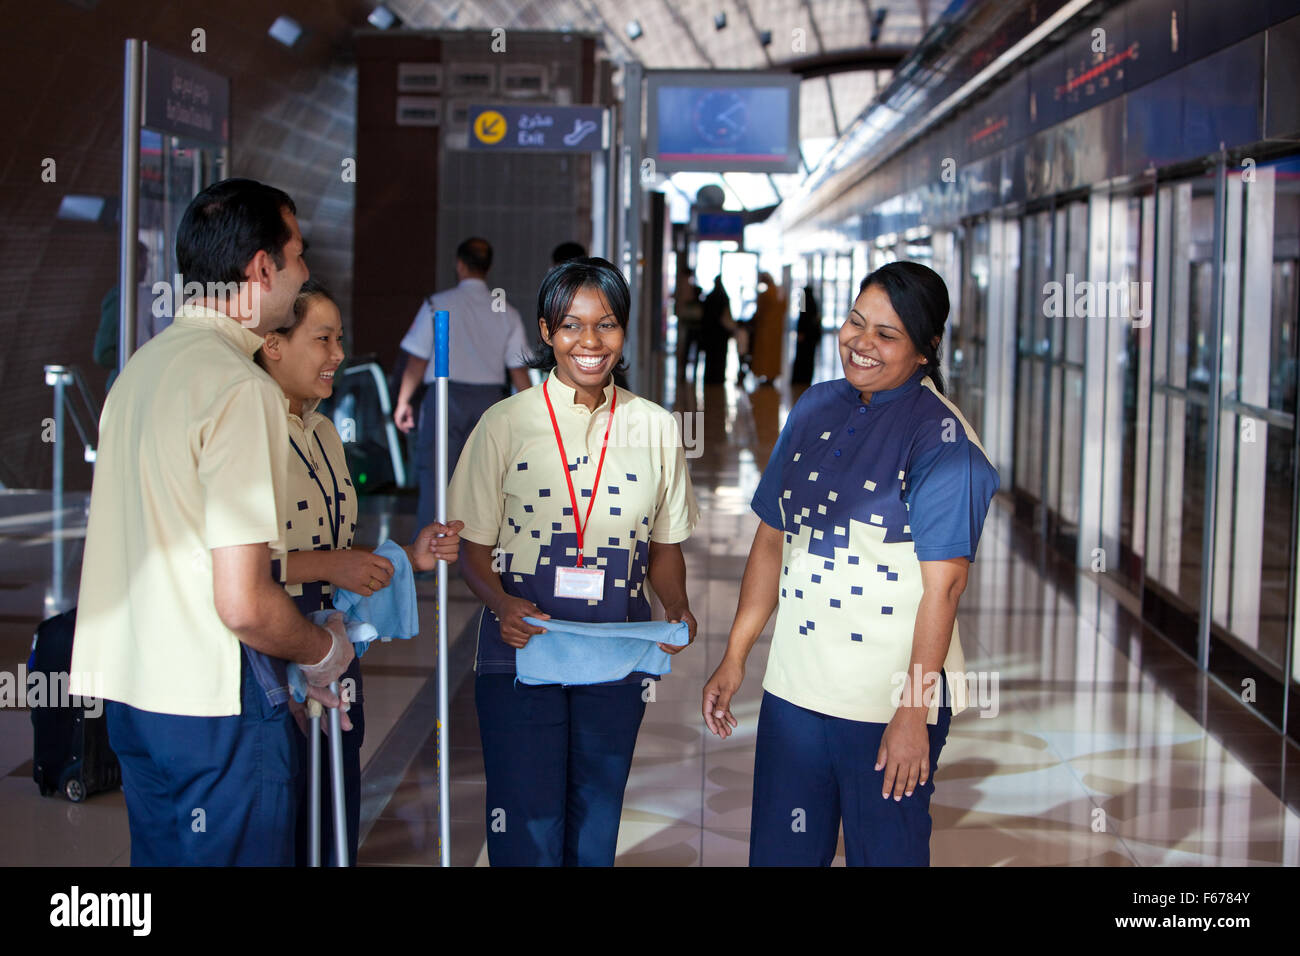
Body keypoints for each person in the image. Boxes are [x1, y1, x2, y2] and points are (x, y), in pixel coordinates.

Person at [70, 178, 355, 866]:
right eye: (297, 254)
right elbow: (243, 599)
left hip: (133, 695)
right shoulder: (240, 388)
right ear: (261, 268)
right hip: (212, 701)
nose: (305, 272)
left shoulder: (139, 371)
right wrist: (323, 652)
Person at [702, 261, 999, 867]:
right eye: (855, 323)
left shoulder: (945, 443)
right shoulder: (814, 406)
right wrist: (735, 655)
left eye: (887, 335)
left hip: (885, 700)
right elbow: (770, 538)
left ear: (926, 349)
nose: (861, 343)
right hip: (795, 691)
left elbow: (944, 590)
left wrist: (913, 713)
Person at [450, 257, 700, 866]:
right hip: (520, 647)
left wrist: (679, 606)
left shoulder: (656, 427)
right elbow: (473, 549)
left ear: (625, 331)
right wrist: (501, 601)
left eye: (606, 324)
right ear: (545, 331)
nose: (590, 342)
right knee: (525, 814)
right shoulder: (504, 424)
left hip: (614, 649)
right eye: (572, 325)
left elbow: (665, 549)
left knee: (597, 811)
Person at [253, 278, 463, 865]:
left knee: (336, 796)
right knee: (287, 811)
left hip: (334, 642)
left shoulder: (323, 432)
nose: (338, 354)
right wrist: (328, 565)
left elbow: (338, 550)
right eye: (323, 339)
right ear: (273, 342)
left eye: (339, 339)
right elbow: (231, 566)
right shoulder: (249, 430)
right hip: (274, 641)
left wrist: (407, 558)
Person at [394, 237, 532, 534]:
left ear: (459, 265)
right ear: (489, 267)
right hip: (491, 403)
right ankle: (479, 557)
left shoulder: (437, 304)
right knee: (485, 479)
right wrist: (534, 411)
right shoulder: (505, 311)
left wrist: (404, 401)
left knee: (436, 476)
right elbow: (518, 368)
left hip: (446, 398)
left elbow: (417, 359)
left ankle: (433, 556)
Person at [94, 240, 166, 394]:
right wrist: (132, 357)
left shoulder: (150, 295)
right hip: (126, 383)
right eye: (142, 262)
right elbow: (102, 353)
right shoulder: (119, 297)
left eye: (146, 263)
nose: (146, 268)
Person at [748, 271, 786, 384]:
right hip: (777, 329)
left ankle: (766, 374)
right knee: (774, 353)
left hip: (765, 329)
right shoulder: (780, 293)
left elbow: (759, 311)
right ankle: (772, 374)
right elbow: (784, 309)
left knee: (765, 354)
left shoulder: (766, 294)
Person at [700, 275, 734, 385]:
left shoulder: (710, 297)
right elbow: (726, 317)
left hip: (710, 333)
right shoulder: (723, 297)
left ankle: (710, 377)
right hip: (720, 335)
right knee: (719, 358)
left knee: (710, 358)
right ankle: (718, 378)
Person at [791, 284, 822, 387]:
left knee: (802, 358)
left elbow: (802, 319)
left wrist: (800, 332)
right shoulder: (813, 304)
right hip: (811, 337)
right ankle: (806, 378)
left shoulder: (804, 304)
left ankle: (800, 378)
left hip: (804, 337)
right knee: (809, 358)